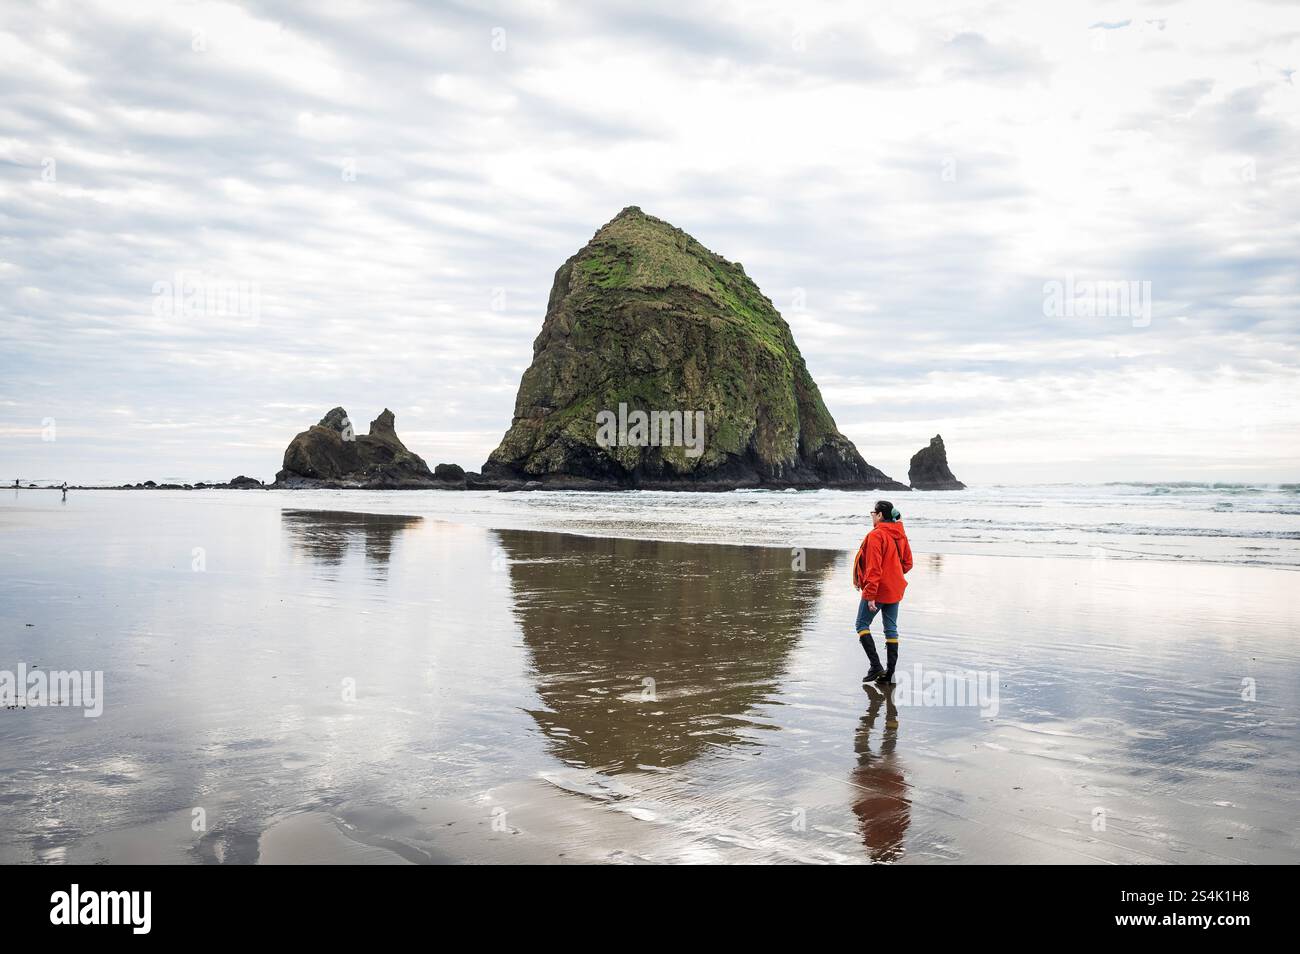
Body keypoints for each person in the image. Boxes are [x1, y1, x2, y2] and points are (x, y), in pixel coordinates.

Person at [852, 500, 913, 683]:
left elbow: (874, 568)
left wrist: (870, 595)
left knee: (861, 624)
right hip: (895, 588)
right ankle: (889, 675)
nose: (872, 515)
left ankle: (876, 666)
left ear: (879, 515)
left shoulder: (876, 535)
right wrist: (893, 571)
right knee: (891, 629)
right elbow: (908, 563)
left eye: (873, 512)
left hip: (878, 589)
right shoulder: (899, 534)